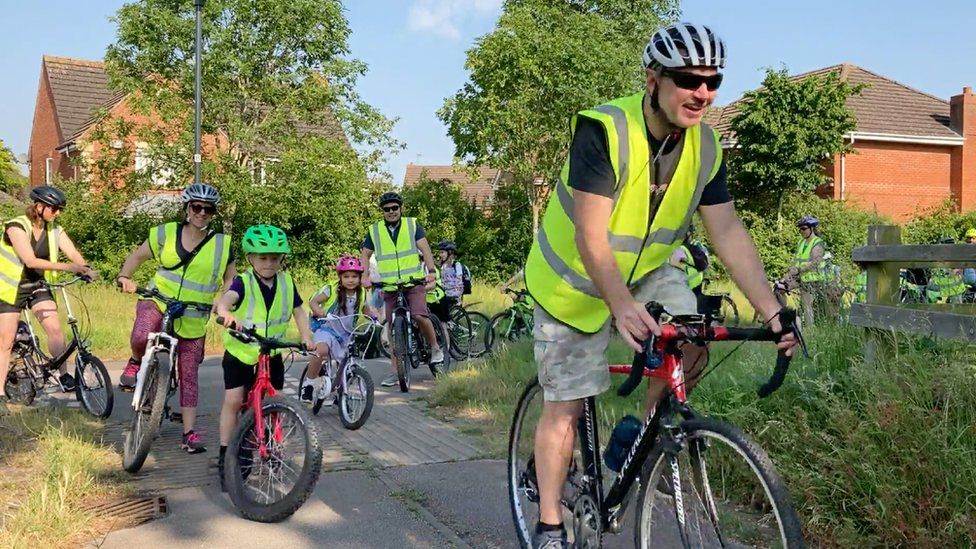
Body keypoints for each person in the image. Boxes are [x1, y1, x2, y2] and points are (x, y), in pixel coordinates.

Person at [522, 22, 796, 548]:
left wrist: (771, 309)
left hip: (646, 270)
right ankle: (550, 524)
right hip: (571, 282)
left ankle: (641, 437)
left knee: (693, 335)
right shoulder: (604, 129)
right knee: (567, 404)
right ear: (653, 78)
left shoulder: (705, 146)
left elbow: (728, 232)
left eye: (713, 81)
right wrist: (620, 305)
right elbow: (590, 233)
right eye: (689, 79)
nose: (703, 92)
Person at [117, 183, 234, 453]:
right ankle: (135, 362)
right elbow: (137, 256)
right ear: (186, 208)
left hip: (195, 313)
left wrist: (223, 301)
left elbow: (230, 278)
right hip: (158, 298)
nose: (202, 213)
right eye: (196, 207)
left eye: (208, 209)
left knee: (189, 373)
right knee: (141, 333)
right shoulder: (166, 233)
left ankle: (189, 433)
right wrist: (125, 277)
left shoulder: (221, 244)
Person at [214, 224, 314, 489]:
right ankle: (226, 455)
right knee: (234, 400)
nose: (269, 263)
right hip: (241, 351)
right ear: (250, 258)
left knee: (274, 402)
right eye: (262, 258)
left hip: (271, 352)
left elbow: (299, 311)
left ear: (281, 259)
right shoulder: (243, 281)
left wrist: (306, 336)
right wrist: (226, 313)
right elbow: (227, 300)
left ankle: (270, 444)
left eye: (274, 258)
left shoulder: (286, 282)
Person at [0, 185, 98, 416]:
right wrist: (69, 267)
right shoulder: (16, 226)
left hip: (37, 285)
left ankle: (63, 375)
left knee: (55, 328)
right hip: (11, 288)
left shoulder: (54, 229)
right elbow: (30, 260)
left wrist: (84, 268)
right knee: (5, 341)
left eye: (60, 209)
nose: (58, 213)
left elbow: (72, 252)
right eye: (54, 209)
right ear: (39, 206)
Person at [359, 191, 442, 388]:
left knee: (420, 316)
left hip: (413, 282)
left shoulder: (412, 225)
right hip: (389, 286)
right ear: (383, 212)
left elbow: (425, 249)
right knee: (391, 327)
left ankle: (435, 348)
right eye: (387, 209)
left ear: (400, 208)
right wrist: (364, 276)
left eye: (395, 208)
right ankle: (395, 372)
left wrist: (431, 271)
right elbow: (364, 254)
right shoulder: (375, 230)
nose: (391, 212)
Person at [302, 255, 374, 405]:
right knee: (321, 351)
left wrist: (374, 318)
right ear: (340, 276)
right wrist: (318, 310)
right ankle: (308, 385)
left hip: (347, 333)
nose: (351, 280)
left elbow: (366, 309)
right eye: (346, 276)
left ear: (360, 277)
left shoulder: (362, 293)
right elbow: (313, 301)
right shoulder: (331, 288)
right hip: (327, 328)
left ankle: (340, 392)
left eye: (354, 276)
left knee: (346, 363)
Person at [786, 216, 829, 327]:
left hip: (812, 279)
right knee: (779, 288)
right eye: (800, 229)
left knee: (806, 306)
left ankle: (810, 331)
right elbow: (796, 260)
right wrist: (789, 273)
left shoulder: (817, 243)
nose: (801, 231)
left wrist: (799, 270)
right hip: (800, 276)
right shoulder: (801, 242)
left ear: (812, 229)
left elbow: (815, 262)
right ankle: (780, 319)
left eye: (804, 228)